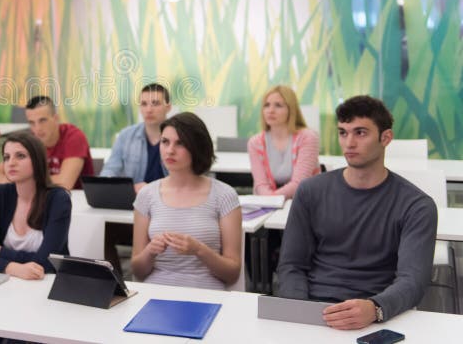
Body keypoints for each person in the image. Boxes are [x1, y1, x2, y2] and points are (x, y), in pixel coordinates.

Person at [277, 95, 437, 330]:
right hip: (315, 309)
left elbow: (413, 280)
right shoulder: (310, 191)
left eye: (360, 133)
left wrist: (375, 308)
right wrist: (300, 312)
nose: (349, 143)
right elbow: (291, 265)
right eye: (343, 132)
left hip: (376, 314)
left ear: (386, 137)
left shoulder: (417, 205)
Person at [131, 112, 242, 289]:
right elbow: (138, 271)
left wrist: (199, 250)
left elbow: (232, 274)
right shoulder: (146, 195)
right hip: (155, 294)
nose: (170, 150)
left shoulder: (224, 195)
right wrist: (150, 252)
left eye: (180, 143)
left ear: (197, 147)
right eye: (165, 142)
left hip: (207, 294)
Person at [0, 131, 71, 278]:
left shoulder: (58, 199)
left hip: (49, 284)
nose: (11, 163)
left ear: (37, 160)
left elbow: (47, 262)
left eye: (20, 156)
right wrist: (12, 268)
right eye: (6, 157)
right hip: (7, 283)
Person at [0, 96, 94, 189]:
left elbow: (65, 183)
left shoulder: (73, 136)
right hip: (41, 198)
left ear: (56, 118)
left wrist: (21, 181)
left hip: (77, 202)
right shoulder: (31, 140)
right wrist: (17, 182)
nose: (37, 129)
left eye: (42, 120)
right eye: (32, 122)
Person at [248, 84, 320, 198]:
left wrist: (272, 200)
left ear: (291, 110)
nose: (270, 110)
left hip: (305, 202)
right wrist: (271, 202)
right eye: (266, 105)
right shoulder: (255, 142)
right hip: (268, 204)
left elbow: (299, 184)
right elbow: (261, 185)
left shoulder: (308, 137)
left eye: (278, 105)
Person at [101, 83, 172, 192]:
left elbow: (189, 177)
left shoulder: (180, 137)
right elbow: (110, 169)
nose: (149, 110)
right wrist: (109, 186)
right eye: (144, 104)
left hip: (170, 200)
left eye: (155, 103)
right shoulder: (125, 136)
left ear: (168, 107)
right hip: (135, 201)